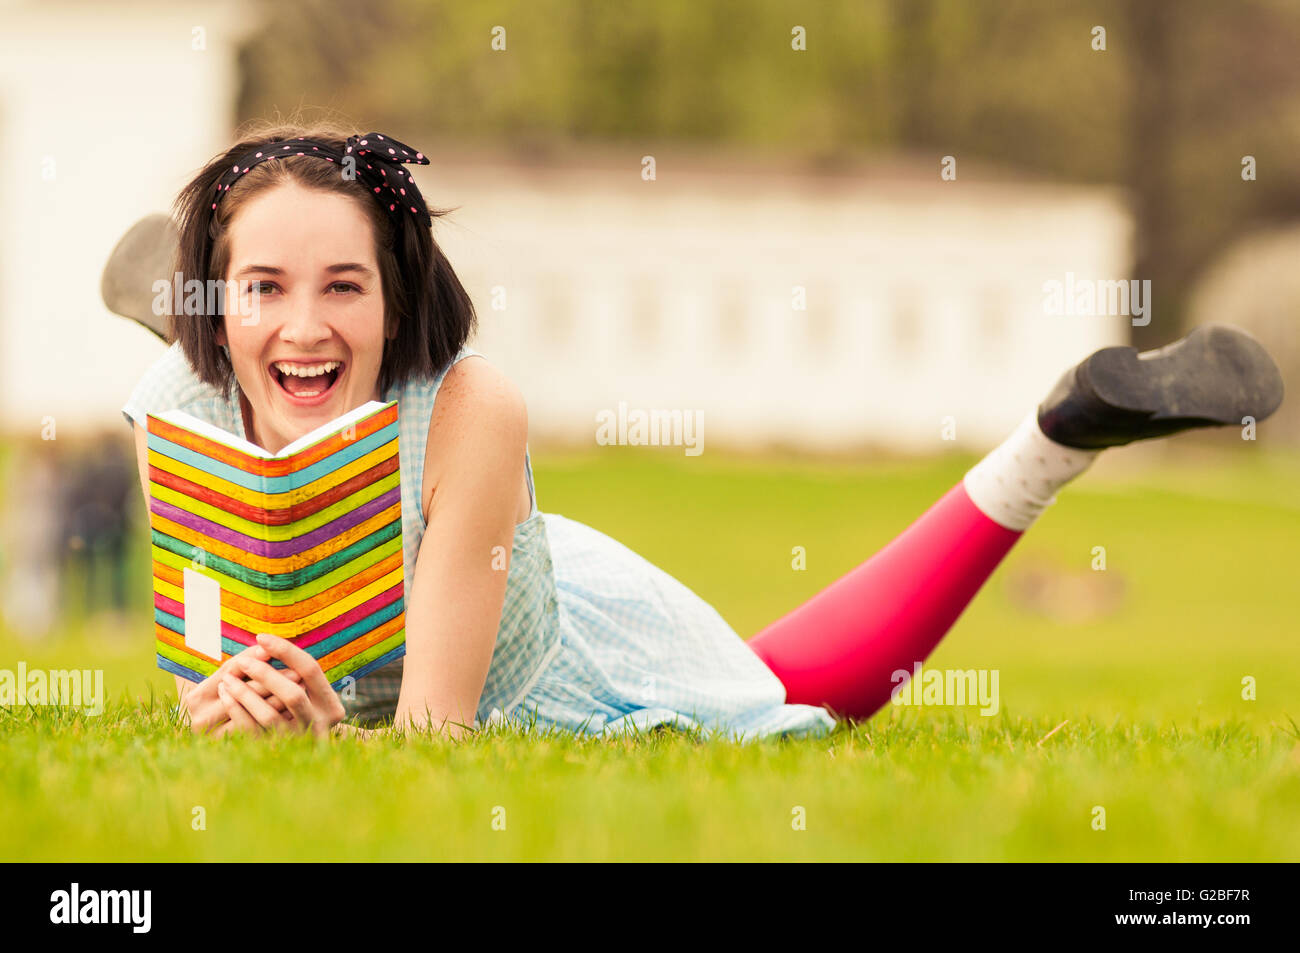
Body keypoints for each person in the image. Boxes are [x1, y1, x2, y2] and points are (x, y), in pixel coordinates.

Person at [121, 121, 1285, 742]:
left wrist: (330, 747)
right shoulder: (173, 421)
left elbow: (433, 733)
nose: (311, 321)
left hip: (548, 653)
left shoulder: (471, 407)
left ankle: (1056, 437)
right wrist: (224, 710)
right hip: (274, 434)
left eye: (345, 287)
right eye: (264, 286)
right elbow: (205, 651)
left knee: (802, 689)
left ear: (399, 299)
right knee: (215, 378)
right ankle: (195, 298)